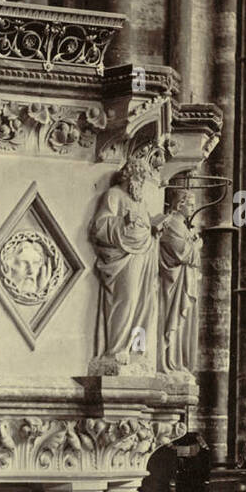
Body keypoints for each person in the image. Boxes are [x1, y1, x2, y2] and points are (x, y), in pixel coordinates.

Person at [90, 150, 159, 365]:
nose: (142, 183)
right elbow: (99, 227)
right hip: (122, 257)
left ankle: (135, 351)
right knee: (126, 300)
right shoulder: (114, 195)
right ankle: (115, 350)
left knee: (143, 304)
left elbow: (145, 225)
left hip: (143, 255)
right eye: (139, 178)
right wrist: (122, 222)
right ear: (129, 175)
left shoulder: (140, 201)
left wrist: (154, 229)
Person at [156, 187, 201, 372]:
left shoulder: (181, 224)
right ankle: (168, 362)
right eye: (189, 204)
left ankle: (175, 362)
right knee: (171, 323)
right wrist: (197, 245)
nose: (192, 207)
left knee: (180, 325)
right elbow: (181, 253)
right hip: (173, 285)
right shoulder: (173, 223)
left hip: (182, 282)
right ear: (179, 204)